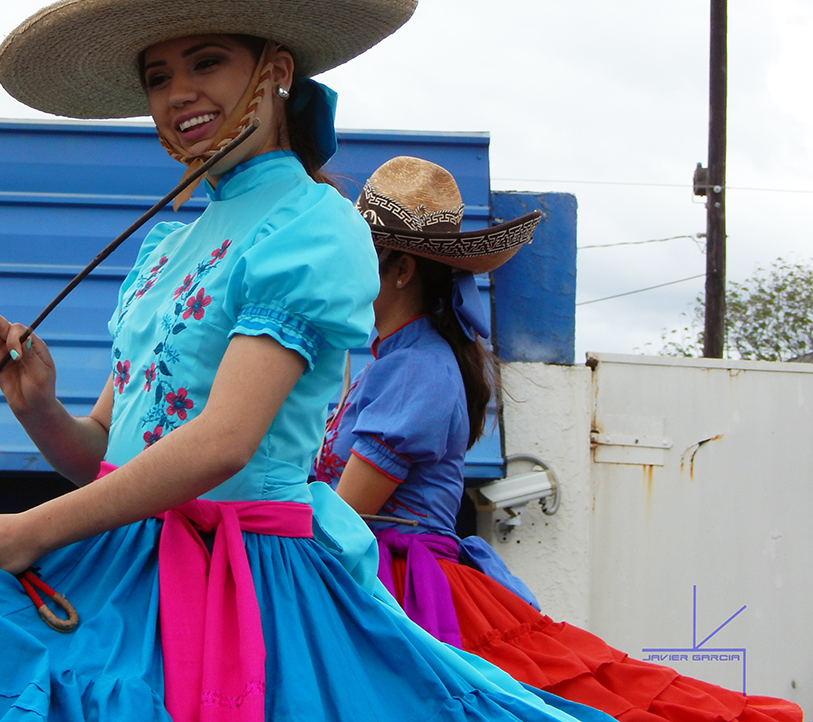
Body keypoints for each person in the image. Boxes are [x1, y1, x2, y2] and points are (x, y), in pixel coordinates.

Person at [0, 0, 612, 722]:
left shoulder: (315, 224)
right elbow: (108, 451)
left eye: (206, 61)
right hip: (120, 557)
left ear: (274, 68)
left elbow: (222, 444)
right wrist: (40, 408)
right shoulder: (167, 247)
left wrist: (32, 529)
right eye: (158, 75)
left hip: (239, 587)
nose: (178, 91)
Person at [317, 156, 802, 722]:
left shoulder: (416, 366)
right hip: (382, 570)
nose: (342, 274)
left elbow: (346, 515)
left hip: (400, 584)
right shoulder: (395, 360)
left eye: (357, 259)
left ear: (400, 270)